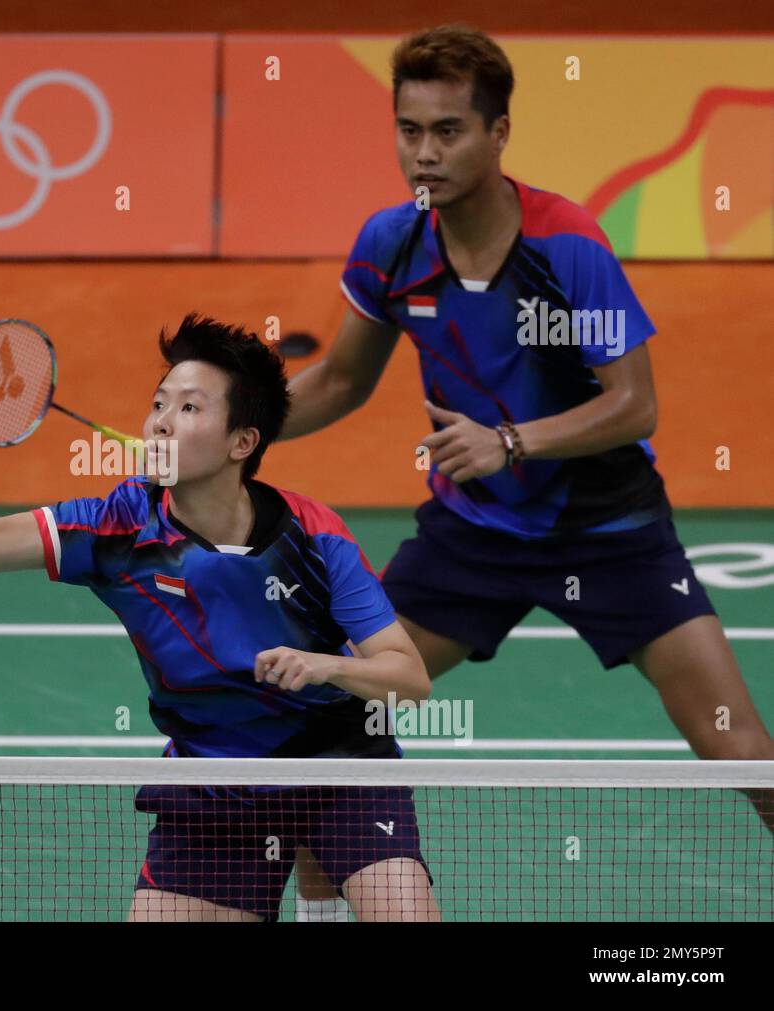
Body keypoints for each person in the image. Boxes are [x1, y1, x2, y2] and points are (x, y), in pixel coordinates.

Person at [282, 24, 774, 917]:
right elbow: (342, 379)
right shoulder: (393, 245)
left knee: (738, 743)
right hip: (473, 534)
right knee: (333, 719)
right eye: (409, 130)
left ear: (499, 133)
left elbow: (635, 405)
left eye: (448, 131)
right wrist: (236, 426)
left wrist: (510, 442)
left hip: (609, 528)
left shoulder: (566, 245)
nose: (423, 154)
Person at [0, 313, 438, 922]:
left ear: (243, 441)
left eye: (188, 407)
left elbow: (407, 676)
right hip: (213, 789)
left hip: (340, 769)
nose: (159, 421)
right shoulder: (116, 528)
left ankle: (319, 878)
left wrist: (323, 665)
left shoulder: (313, 533)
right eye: (157, 405)